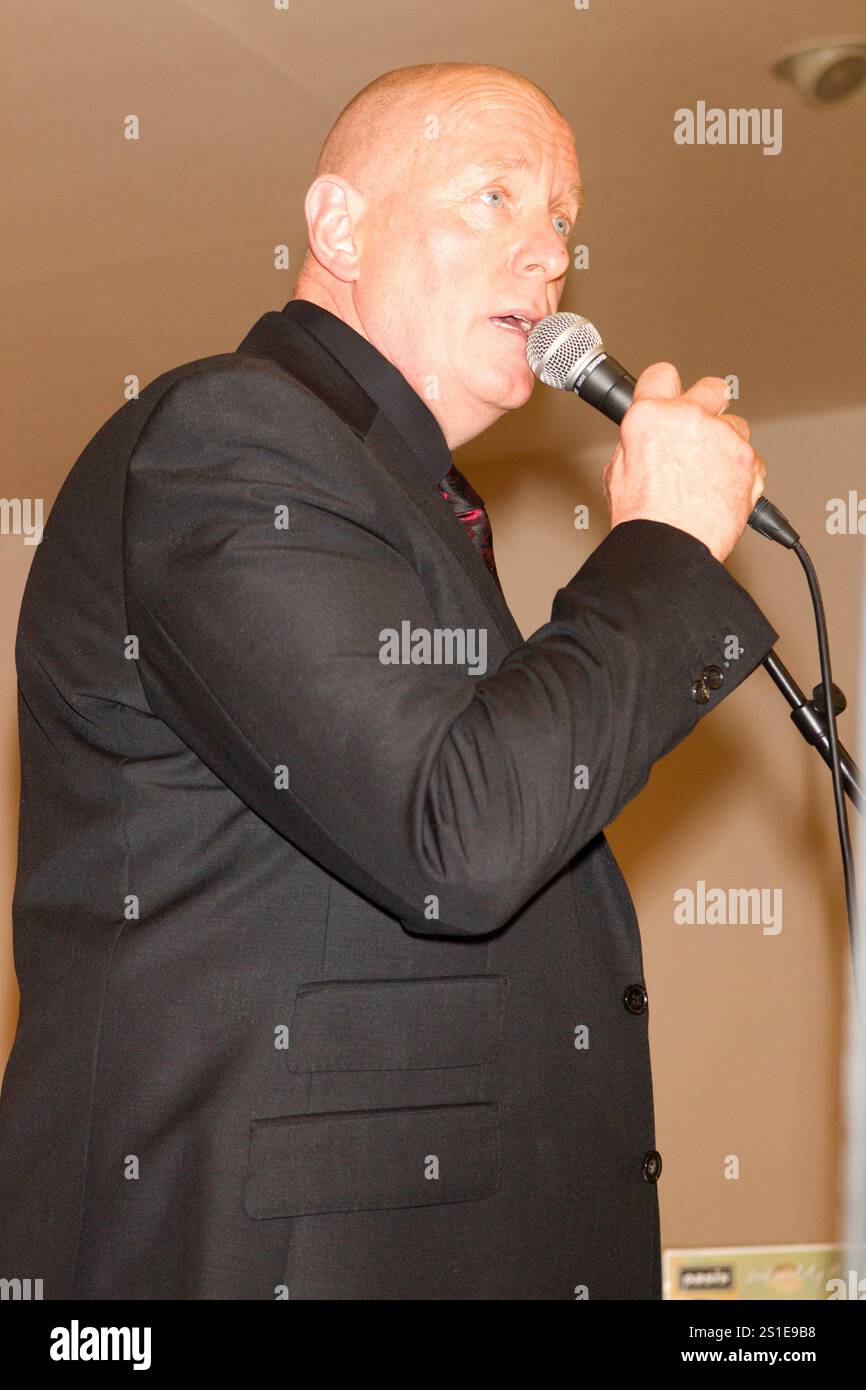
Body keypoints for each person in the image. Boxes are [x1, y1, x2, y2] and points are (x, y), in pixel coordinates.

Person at [0, 62, 774, 1299]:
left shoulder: (401, 504)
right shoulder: (228, 434)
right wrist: (663, 551)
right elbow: (457, 833)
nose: (549, 253)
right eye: (495, 196)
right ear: (338, 226)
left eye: (562, 219)